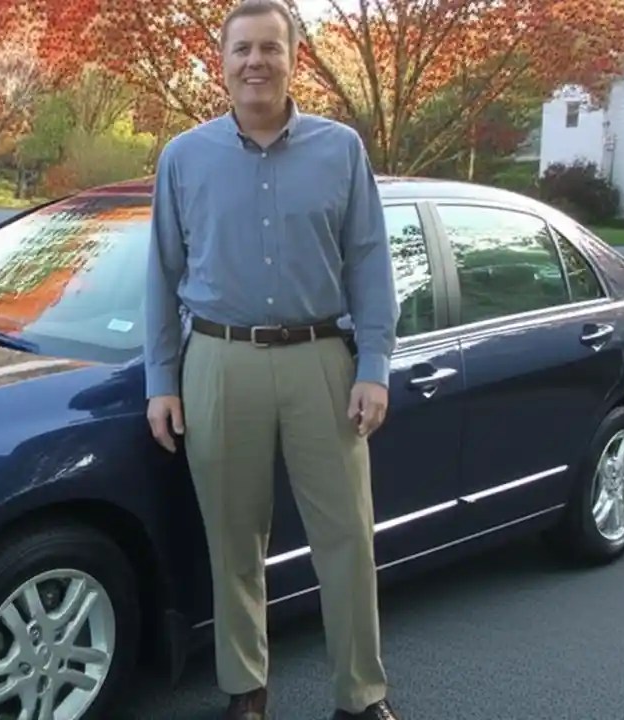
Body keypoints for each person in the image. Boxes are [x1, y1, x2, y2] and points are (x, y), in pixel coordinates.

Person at [142, 1, 402, 719]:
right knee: (233, 541)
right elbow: (161, 275)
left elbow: (370, 262)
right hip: (219, 364)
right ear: (221, 63)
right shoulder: (183, 158)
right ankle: (246, 690)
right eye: (242, 50)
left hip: (322, 358)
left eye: (270, 48)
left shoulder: (340, 149)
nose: (255, 62)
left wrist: (374, 363)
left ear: (295, 58)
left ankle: (361, 695)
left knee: (347, 535)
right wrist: (161, 381)